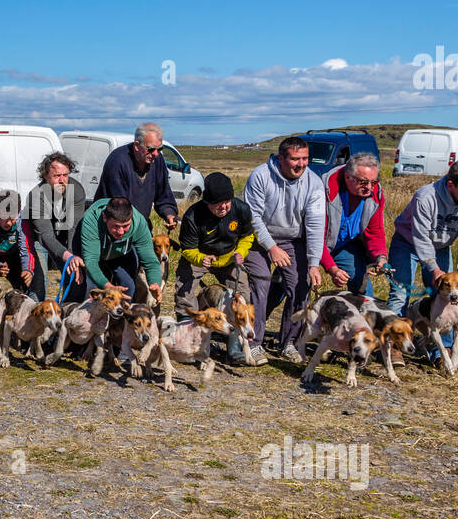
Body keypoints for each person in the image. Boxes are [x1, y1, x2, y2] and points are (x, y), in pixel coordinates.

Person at [387, 160, 458, 364]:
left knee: (445, 297)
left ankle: (442, 352)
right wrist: (433, 268)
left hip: (440, 247)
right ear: (451, 185)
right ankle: (394, 346)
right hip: (407, 242)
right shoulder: (425, 197)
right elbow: (421, 237)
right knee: (400, 292)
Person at [242, 137, 326, 366]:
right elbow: (253, 217)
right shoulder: (261, 176)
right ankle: (253, 343)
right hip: (259, 238)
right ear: (281, 158)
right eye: (295, 159)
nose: (301, 164)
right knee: (262, 280)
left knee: (301, 284)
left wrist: (314, 263)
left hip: (292, 239)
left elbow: (316, 225)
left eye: (305, 159)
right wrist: (271, 247)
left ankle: (289, 342)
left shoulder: (314, 183)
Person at [175, 172, 255, 312]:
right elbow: (187, 249)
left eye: (227, 201)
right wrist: (201, 259)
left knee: (243, 296)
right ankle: (189, 324)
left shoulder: (241, 209)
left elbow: (247, 236)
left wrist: (240, 252)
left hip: (229, 258)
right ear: (207, 202)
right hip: (199, 257)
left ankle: (234, 330)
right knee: (184, 294)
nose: (223, 207)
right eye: (218, 203)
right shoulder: (192, 216)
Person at [320, 153, 390, 296]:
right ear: (347, 177)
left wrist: (380, 257)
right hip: (309, 246)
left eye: (374, 182)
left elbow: (375, 232)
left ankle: (364, 317)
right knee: (293, 286)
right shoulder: (323, 191)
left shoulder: (375, 194)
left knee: (364, 290)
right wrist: (332, 268)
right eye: (363, 182)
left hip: (343, 245)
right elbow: (314, 238)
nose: (369, 187)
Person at [72, 196, 162, 304]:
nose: (120, 231)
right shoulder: (92, 220)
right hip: (93, 251)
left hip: (120, 253)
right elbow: (91, 262)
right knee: (89, 292)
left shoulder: (139, 223)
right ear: (105, 217)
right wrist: (107, 286)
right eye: (116, 226)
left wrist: (155, 282)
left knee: (128, 287)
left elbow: (150, 260)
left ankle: (122, 319)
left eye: (125, 226)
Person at [23, 151, 86, 302]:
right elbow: (46, 235)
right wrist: (68, 256)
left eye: (65, 175)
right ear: (45, 176)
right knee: (38, 283)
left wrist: (72, 258)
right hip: (39, 239)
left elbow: (74, 229)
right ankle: (34, 317)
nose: (62, 180)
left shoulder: (76, 190)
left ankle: (68, 313)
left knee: (74, 275)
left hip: (64, 236)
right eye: (57, 176)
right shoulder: (36, 195)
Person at [93, 122, 179, 230]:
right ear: (137, 145)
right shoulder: (117, 161)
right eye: (151, 149)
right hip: (114, 227)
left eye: (160, 149)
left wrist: (169, 214)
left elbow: (163, 194)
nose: (156, 154)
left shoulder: (157, 160)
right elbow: (120, 207)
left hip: (139, 225)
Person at [0, 189, 44, 299]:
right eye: (5, 218)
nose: (9, 223)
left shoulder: (22, 220)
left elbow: (26, 248)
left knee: (26, 286)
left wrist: (27, 269)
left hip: (15, 254)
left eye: (13, 218)